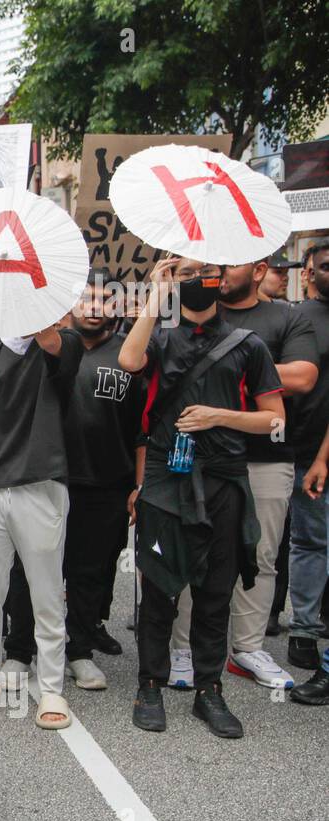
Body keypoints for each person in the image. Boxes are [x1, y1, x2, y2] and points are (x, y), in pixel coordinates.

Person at [119, 257, 285, 739]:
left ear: (221, 278)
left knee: (216, 593)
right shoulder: (161, 337)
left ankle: (208, 691)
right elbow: (129, 361)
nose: (195, 280)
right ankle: (149, 683)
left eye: (203, 271)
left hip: (224, 480)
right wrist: (157, 291)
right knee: (160, 590)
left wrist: (220, 416)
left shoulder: (248, 345)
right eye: (184, 272)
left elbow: (275, 421)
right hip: (168, 480)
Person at [166, 259, 317, 690]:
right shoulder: (190, 309)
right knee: (195, 553)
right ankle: (184, 649)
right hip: (201, 457)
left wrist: (236, 369)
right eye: (213, 265)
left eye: (230, 264)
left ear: (259, 269)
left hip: (267, 457)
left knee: (261, 554)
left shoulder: (287, 316)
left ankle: (247, 649)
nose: (219, 273)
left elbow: (303, 376)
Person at [1, 272, 146, 687]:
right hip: (45, 481)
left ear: (118, 307)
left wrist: (138, 485)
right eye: (88, 297)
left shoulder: (131, 356)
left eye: (107, 299)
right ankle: (19, 652)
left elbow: (141, 430)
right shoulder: (48, 348)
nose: (96, 306)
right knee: (30, 570)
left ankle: (79, 650)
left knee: (89, 574)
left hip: (106, 486)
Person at [0, 320, 83, 729]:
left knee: (46, 592)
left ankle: (50, 687)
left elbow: (53, 345)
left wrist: (41, 314)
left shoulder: (62, 342)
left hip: (41, 482)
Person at [292, 242, 329, 704]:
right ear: (309, 271)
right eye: (326, 265)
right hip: (298, 451)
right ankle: (303, 630)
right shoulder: (299, 319)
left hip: (321, 456)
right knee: (308, 543)